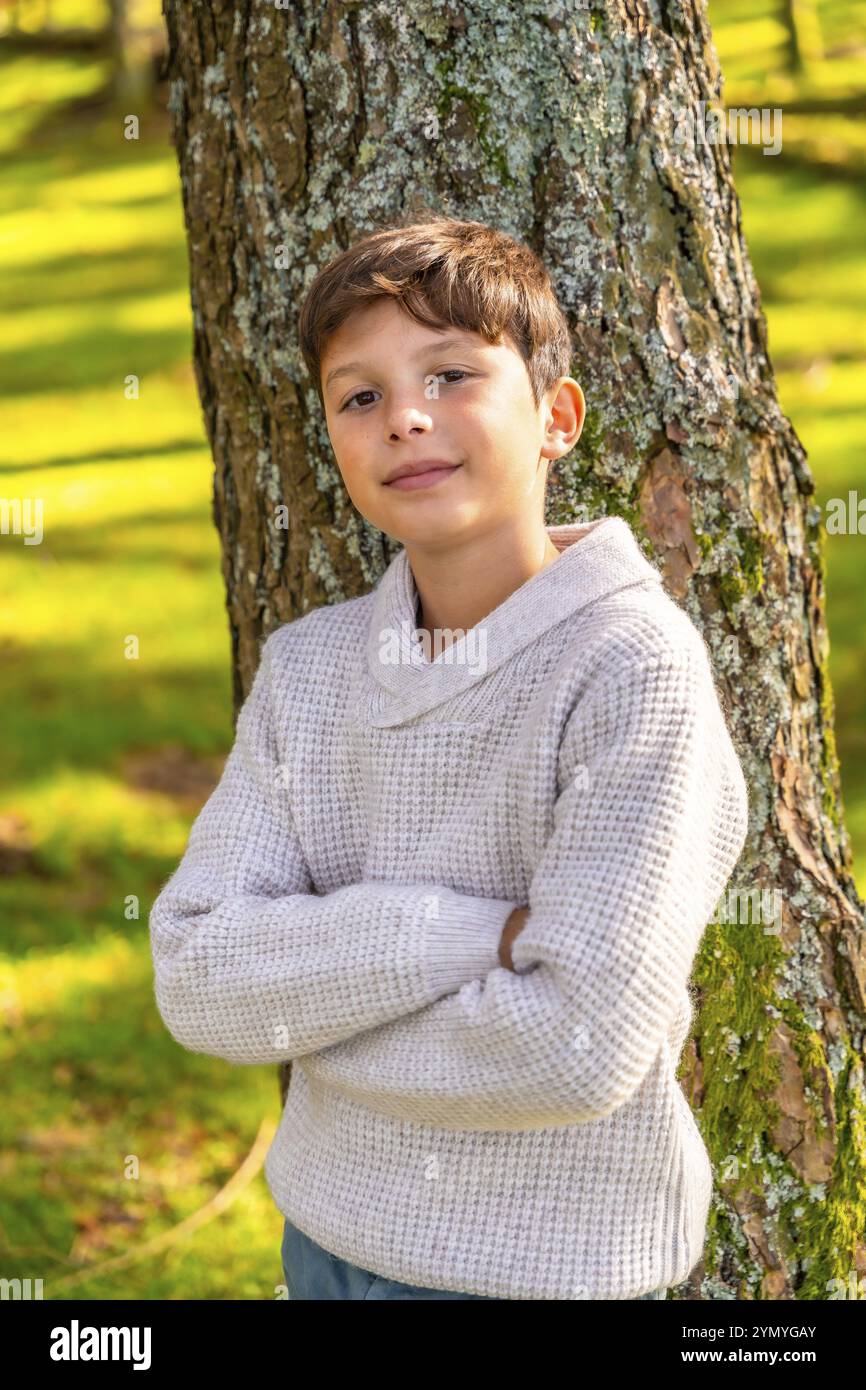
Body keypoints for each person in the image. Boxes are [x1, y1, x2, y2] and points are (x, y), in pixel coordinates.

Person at [149, 216, 750, 1301]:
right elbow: (198, 976)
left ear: (556, 417)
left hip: (539, 1272)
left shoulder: (630, 665)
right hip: (321, 1243)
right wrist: (480, 935)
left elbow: (577, 1042)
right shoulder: (308, 670)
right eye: (360, 395)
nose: (405, 417)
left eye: (451, 374)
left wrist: (313, 1017)